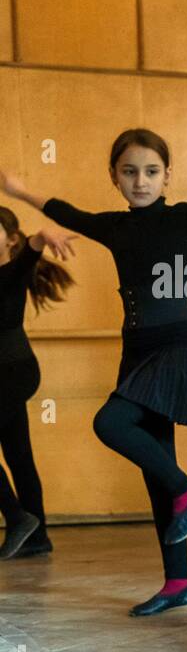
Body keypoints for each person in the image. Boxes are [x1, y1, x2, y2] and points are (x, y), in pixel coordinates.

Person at [0, 128, 187, 612]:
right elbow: (66, 212)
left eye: (150, 171)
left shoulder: (185, 219)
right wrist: (19, 191)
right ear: (115, 178)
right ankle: (178, 581)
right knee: (155, 466)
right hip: (137, 349)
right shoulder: (116, 228)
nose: (140, 181)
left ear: (167, 176)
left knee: (110, 423)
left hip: (176, 346)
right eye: (129, 172)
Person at [0, 211, 76, 559]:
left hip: (14, 373)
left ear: (10, 240)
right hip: (7, 376)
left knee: (20, 458)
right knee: (20, 457)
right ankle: (38, 536)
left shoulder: (12, 273)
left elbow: (31, 251)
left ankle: (17, 519)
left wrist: (43, 235)